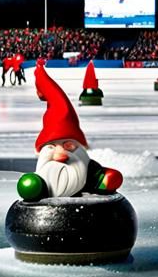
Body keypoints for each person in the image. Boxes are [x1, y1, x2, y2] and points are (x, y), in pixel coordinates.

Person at [16, 64, 123, 200]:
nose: (61, 155)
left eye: (68, 146)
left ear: (79, 146)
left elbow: (110, 178)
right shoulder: (42, 177)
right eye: (51, 147)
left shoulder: (88, 168)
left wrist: (104, 179)